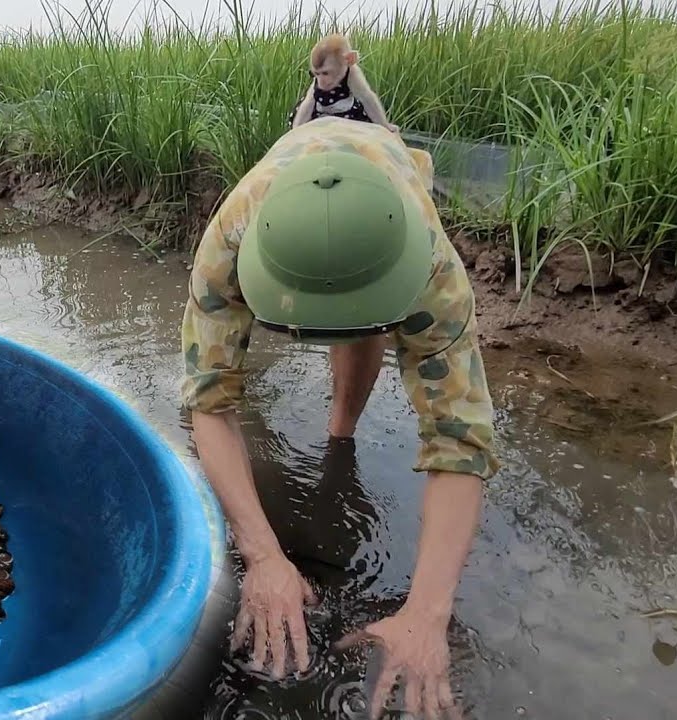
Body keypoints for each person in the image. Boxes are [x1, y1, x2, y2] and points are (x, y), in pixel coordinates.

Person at [178, 116, 500, 719]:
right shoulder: (227, 245)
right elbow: (209, 401)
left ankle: (340, 433)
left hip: (385, 174)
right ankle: (338, 435)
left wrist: (427, 613)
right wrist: (263, 554)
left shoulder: (434, 270)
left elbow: (461, 440)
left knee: (364, 331)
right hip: (292, 174)